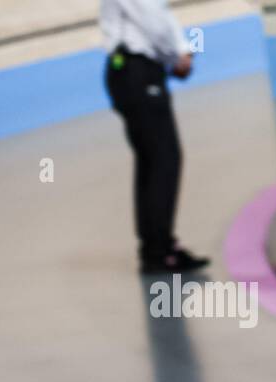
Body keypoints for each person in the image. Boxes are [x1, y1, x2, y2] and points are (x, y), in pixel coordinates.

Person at [101, 0, 209, 273]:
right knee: (164, 159)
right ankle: (158, 251)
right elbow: (153, 18)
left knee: (151, 160)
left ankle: (156, 247)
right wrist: (179, 56)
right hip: (137, 70)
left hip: (130, 70)